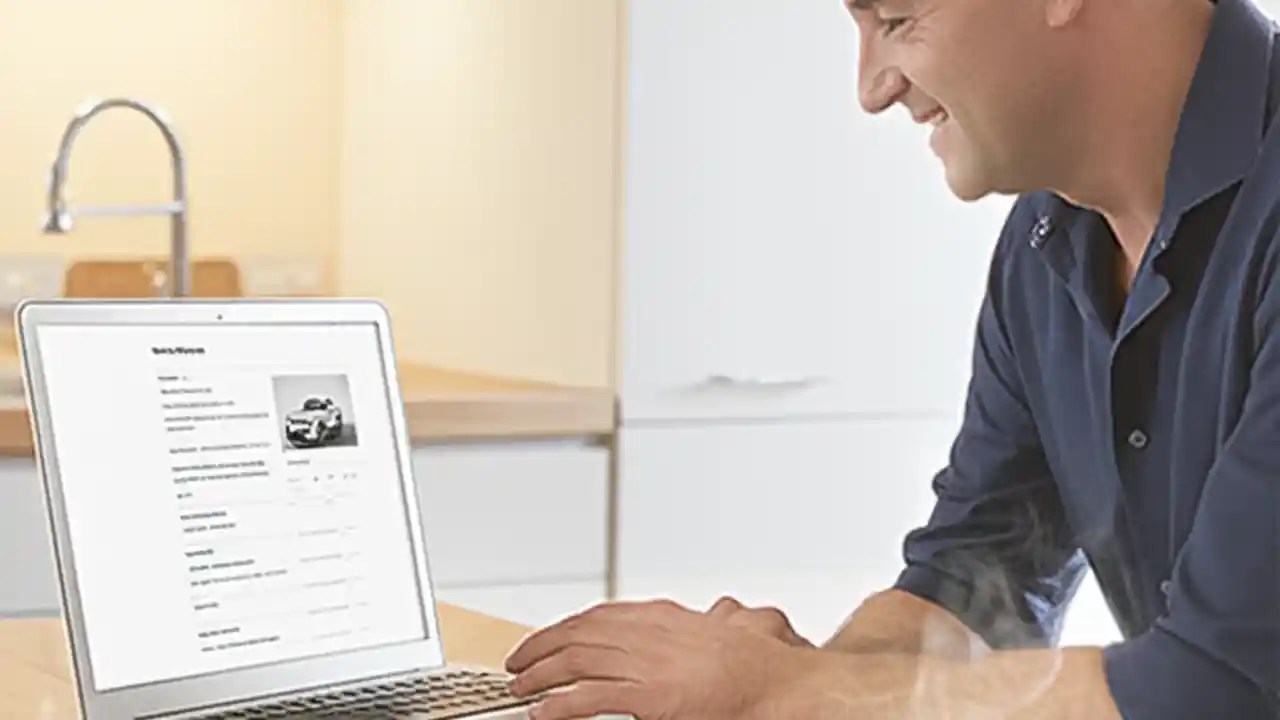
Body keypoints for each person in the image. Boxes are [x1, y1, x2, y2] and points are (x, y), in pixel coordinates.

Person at [504, 0, 1280, 715]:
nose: (872, 88)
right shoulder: (1046, 244)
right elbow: (976, 588)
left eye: (899, 18)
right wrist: (778, 685)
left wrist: (790, 690)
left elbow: (1212, 689)